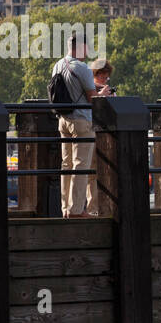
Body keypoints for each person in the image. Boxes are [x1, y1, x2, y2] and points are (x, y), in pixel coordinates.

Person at [53, 35, 97, 217]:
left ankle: (65, 209)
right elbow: (92, 98)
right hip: (81, 122)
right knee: (81, 166)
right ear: (80, 47)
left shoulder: (57, 65)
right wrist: (103, 94)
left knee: (67, 165)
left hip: (63, 120)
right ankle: (77, 210)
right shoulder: (82, 68)